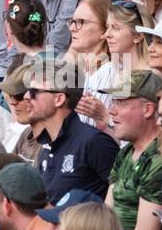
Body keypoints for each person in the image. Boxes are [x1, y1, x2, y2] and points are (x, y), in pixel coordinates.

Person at [27, 56, 120, 202]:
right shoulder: (46, 145)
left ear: (59, 99)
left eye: (34, 92)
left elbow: (121, 195)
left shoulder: (93, 142)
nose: (26, 96)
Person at [106, 70, 162, 230]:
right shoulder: (125, 153)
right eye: (113, 102)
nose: (112, 111)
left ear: (148, 109)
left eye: (121, 103)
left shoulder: (160, 158)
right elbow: (106, 213)